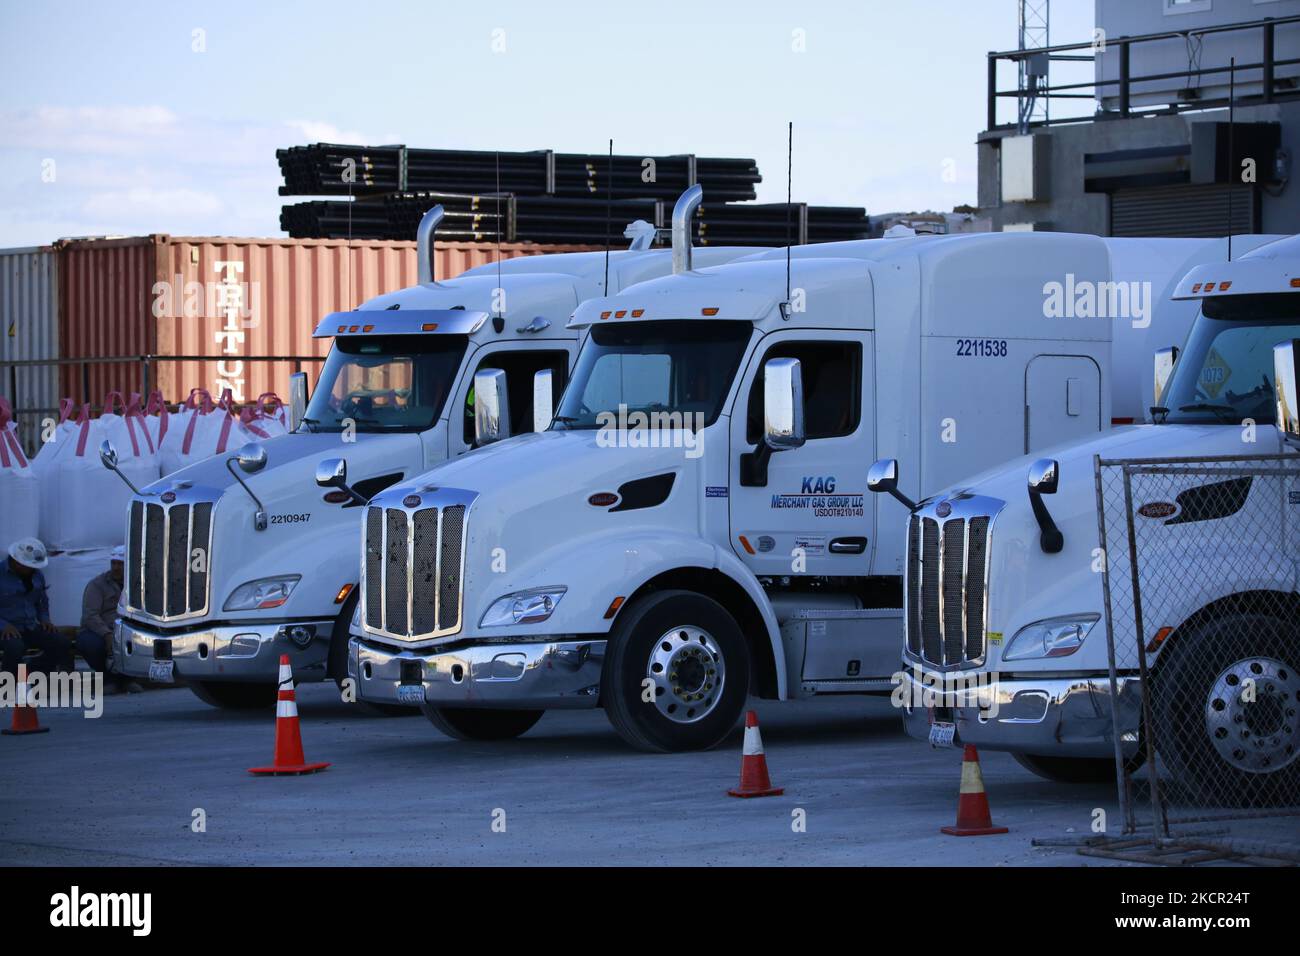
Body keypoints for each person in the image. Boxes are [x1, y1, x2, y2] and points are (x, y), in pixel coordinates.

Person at [0, 537, 73, 676]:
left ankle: (35, 673)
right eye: (29, 566)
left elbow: (42, 601)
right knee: (15, 648)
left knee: (62, 643)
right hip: (5, 629)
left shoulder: (37, 575)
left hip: (29, 626)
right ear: (16, 561)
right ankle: (7, 686)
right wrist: (4, 626)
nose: (32, 569)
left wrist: (45, 619)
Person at [76, 545, 141, 694]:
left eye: (121, 564)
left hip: (124, 628)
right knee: (93, 645)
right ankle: (109, 679)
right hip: (97, 629)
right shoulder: (97, 585)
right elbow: (90, 615)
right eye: (114, 563)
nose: (116, 568)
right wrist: (106, 633)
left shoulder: (136, 584)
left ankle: (127, 679)